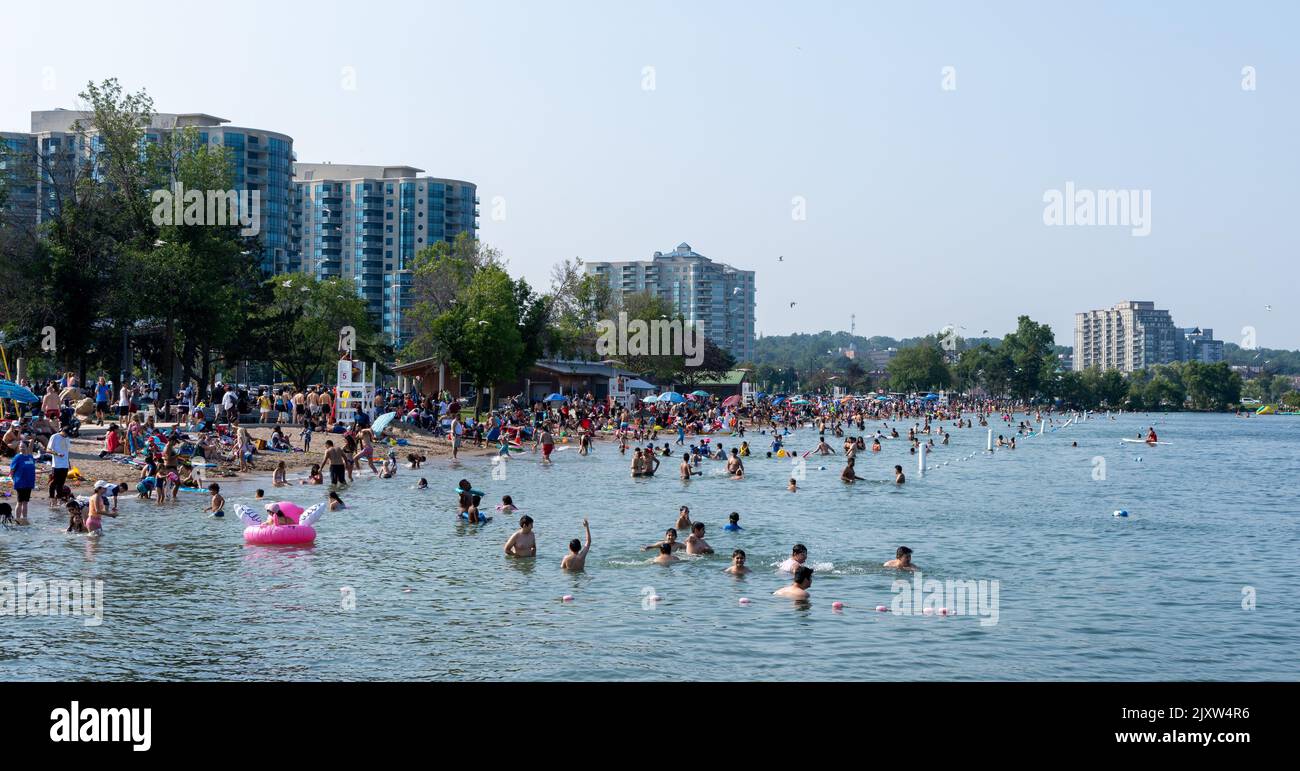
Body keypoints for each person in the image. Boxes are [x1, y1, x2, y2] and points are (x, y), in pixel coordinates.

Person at [9, 440, 36, 525]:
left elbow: (32, 469)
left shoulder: (30, 457)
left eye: (23, 446)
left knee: (26, 502)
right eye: (20, 446)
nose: (21, 448)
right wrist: (14, 480)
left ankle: (24, 519)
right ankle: (17, 519)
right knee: (20, 502)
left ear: (27, 447)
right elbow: (12, 470)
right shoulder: (17, 457)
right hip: (20, 483)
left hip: (29, 483)